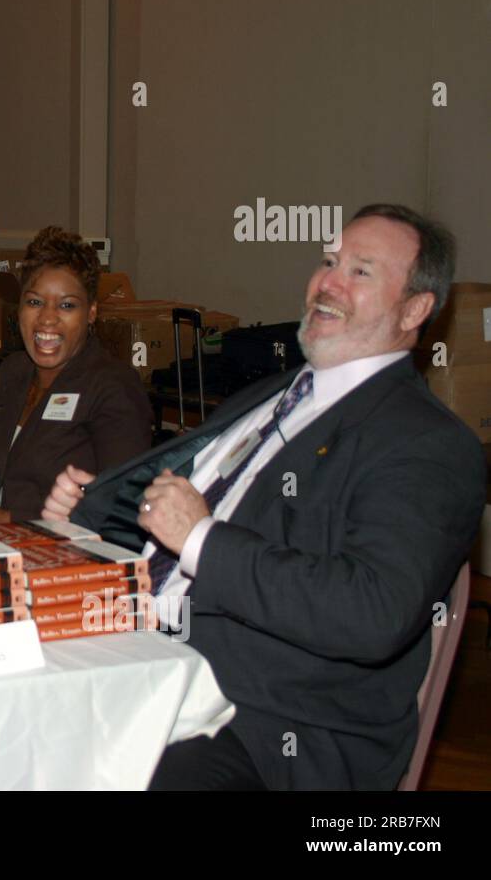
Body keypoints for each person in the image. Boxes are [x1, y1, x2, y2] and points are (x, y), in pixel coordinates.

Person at [42, 203, 486, 790]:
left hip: (266, 726)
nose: (327, 281)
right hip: (146, 652)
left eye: (360, 271)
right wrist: (88, 525)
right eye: (328, 260)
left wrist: (199, 538)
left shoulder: (426, 443)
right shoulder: (272, 396)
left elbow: (372, 612)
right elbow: (190, 519)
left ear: (415, 308)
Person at [0, 229, 152, 524]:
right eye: (34, 302)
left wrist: (8, 519)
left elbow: (121, 506)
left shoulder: (113, 386)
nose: (47, 318)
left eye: (67, 305)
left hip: (70, 555)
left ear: (91, 313)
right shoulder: (13, 372)